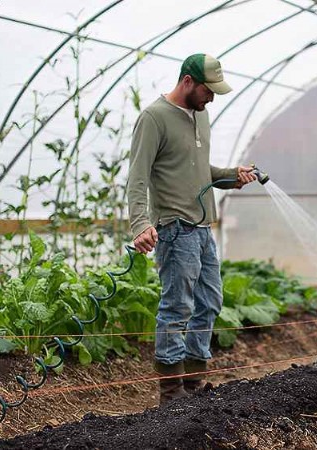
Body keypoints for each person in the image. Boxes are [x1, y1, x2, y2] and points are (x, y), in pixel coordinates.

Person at [126, 53, 257, 405]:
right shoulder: (154, 118)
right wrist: (140, 224)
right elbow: (137, 178)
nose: (212, 97)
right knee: (177, 307)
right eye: (207, 90)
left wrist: (232, 176)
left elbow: (199, 171)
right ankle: (171, 393)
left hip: (202, 229)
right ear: (187, 82)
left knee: (210, 302)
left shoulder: (202, 116)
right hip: (175, 229)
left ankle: (195, 387)